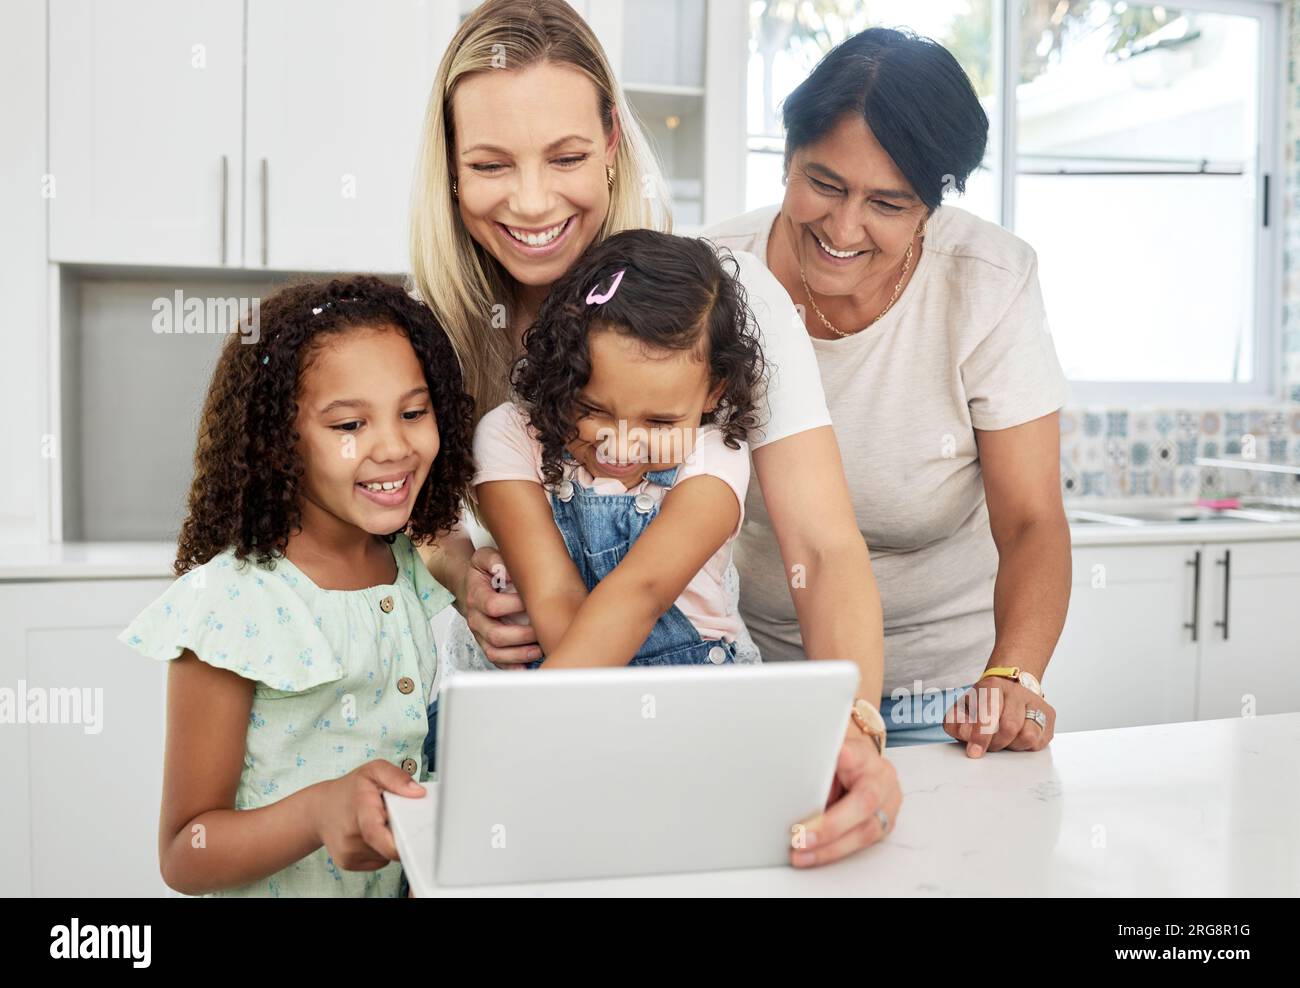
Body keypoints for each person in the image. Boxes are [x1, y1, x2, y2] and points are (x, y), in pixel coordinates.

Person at [119, 277, 475, 895]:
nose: (393, 446)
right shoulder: (230, 606)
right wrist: (318, 812)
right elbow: (186, 853)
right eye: (348, 425)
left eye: (414, 413)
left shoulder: (402, 565)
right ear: (278, 441)